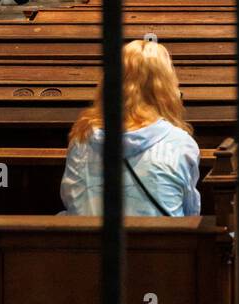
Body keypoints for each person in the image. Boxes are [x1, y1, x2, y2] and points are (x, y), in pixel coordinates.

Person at [61, 39, 201, 216]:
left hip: (92, 243)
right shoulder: (180, 143)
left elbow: (72, 202)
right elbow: (190, 213)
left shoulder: (82, 139)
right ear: (166, 88)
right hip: (163, 242)